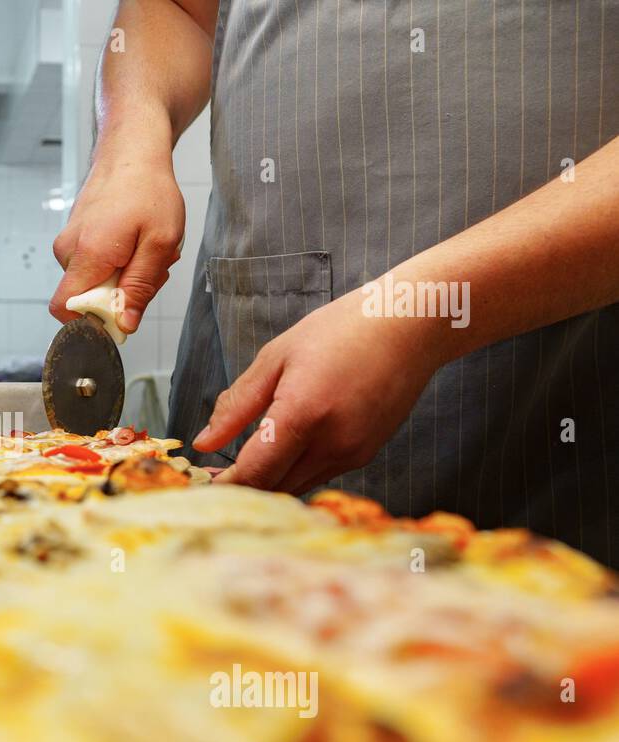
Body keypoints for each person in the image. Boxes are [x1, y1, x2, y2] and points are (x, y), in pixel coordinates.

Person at [50, 0, 619, 566]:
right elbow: (178, 9)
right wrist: (130, 138)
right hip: (241, 363)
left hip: (546, 430)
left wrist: (419, 313)